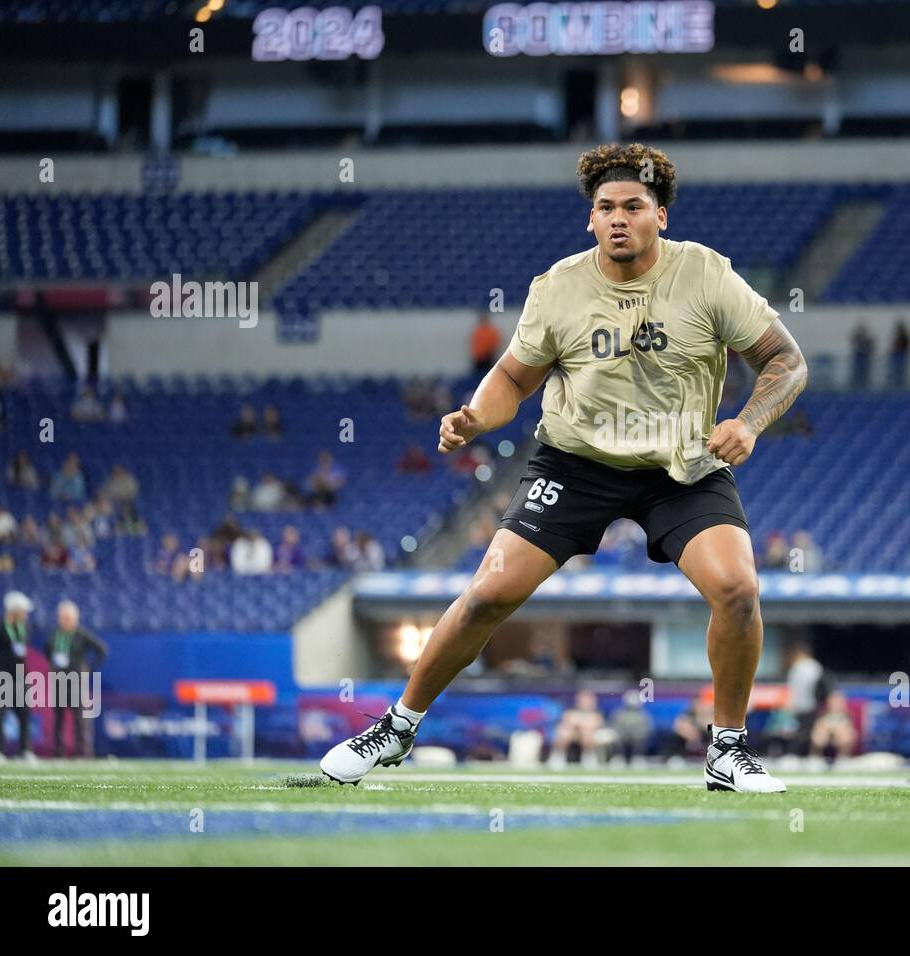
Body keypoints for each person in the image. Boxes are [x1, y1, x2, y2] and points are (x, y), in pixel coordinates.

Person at [322, 142, 807, 792]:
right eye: (605, 206)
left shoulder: (707, 275)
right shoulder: (558, 288)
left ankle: (727, 749)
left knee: (739, 591)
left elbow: (787, 361)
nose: (617, 217)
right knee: (487, 596)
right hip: (575, 463)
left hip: (684, 466)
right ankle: (395, 728)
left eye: (633, 205)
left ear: (659, 215)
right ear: (590, 217)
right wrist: (474, 418)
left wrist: (747, 423)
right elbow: (511, 379)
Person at [44, 600, 109, 758]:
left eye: (69, 618)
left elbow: (102, 650)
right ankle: (58, 752)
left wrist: (89, 667)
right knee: (58, 719)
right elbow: (47, 650)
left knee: (79, 720)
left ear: (75, 619)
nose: (66, 621)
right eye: (63, 617)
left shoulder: (81, 634)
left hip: (76, 682)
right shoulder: (55, 634)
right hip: (59, 680)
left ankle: (83, 753)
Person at [0, 591, 35, 760]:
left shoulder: (24, 626)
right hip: (2, 676)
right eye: (22, 610)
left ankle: (25, 750)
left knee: (24, 715)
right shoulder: (0, 626)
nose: (25, 614)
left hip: (20, 677)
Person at [470, 311, 502, 376]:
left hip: (488, 357)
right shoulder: (477, 331)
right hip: (479, 358)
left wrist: (488, 351)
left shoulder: (491, 331)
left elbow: (495, 343)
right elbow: (474, 344)